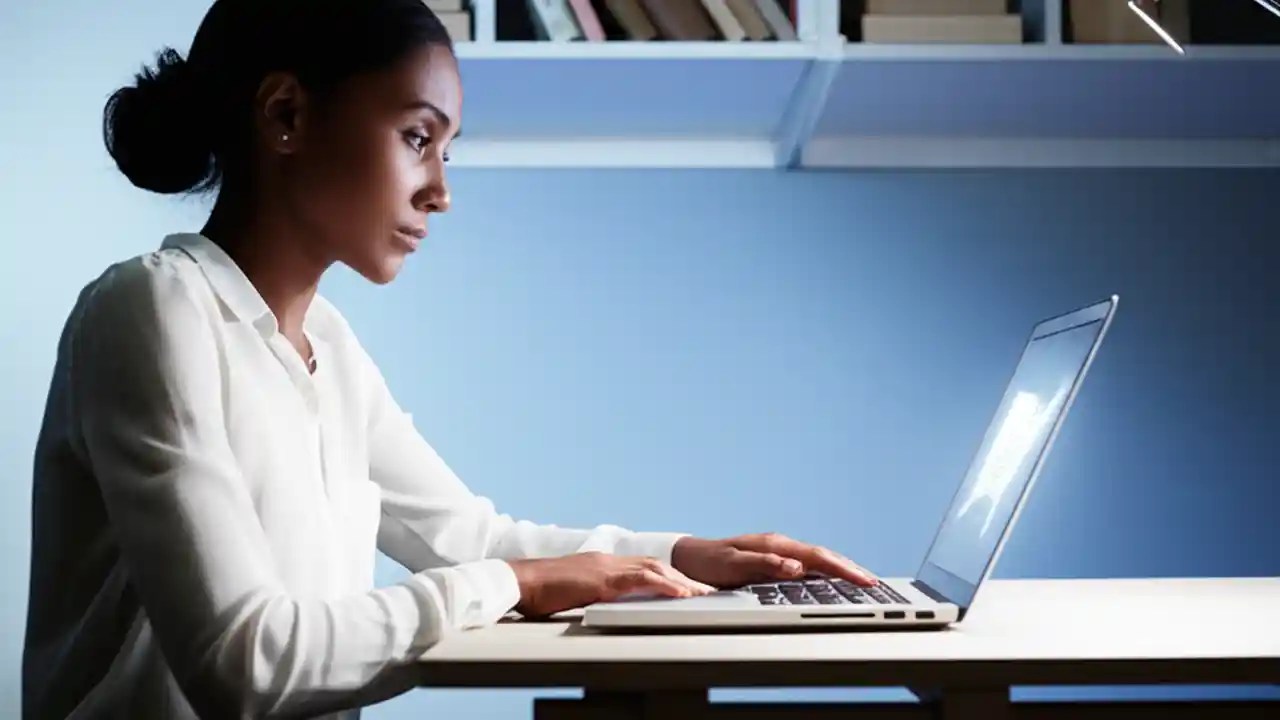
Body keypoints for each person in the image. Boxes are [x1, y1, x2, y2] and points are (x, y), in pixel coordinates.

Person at [21, 1, 878, 718]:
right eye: (417, 138)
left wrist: (683, 556)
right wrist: (511, 581)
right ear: (285, 115)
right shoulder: (151, 310)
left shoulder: (331, 353)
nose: (441, 189)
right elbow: (245, 663)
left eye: (446, 149)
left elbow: (468, 537)